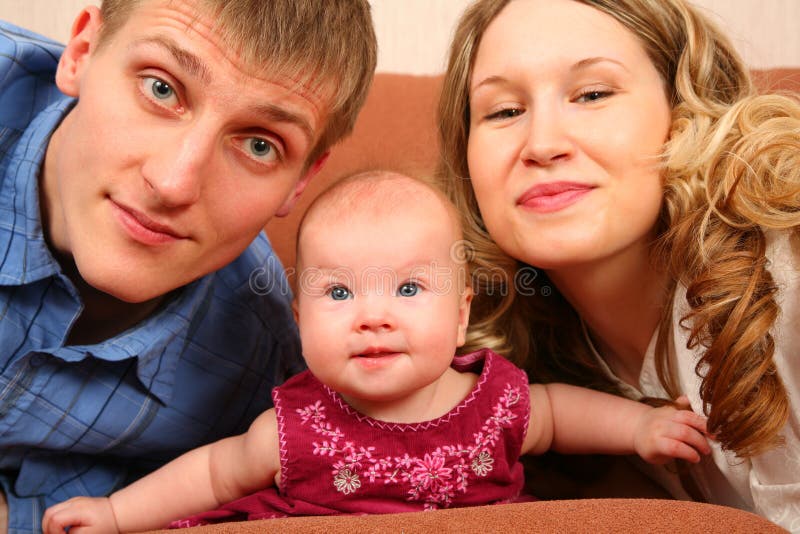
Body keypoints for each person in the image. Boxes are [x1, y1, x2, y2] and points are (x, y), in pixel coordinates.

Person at [41, 171, 711, 533]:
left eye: (409, 288)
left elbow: (560, 414)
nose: (373, 317)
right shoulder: (294, 428)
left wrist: (641, 426)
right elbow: (215, 476)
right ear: (300, 320)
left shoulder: (497, 402)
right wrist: (115, 514)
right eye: (338, 293)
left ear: (460, 314)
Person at [0, 1, 376, 532]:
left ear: (300, 181)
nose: (174, 183)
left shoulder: (264, 373)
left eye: (259, 145)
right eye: (161, 88)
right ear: (82, 52)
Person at [436, 0, 800, 529]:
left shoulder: (787, 263)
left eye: (593, 95)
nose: (542, 144)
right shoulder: (510, 372)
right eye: (505, 111)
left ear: (684, 109)